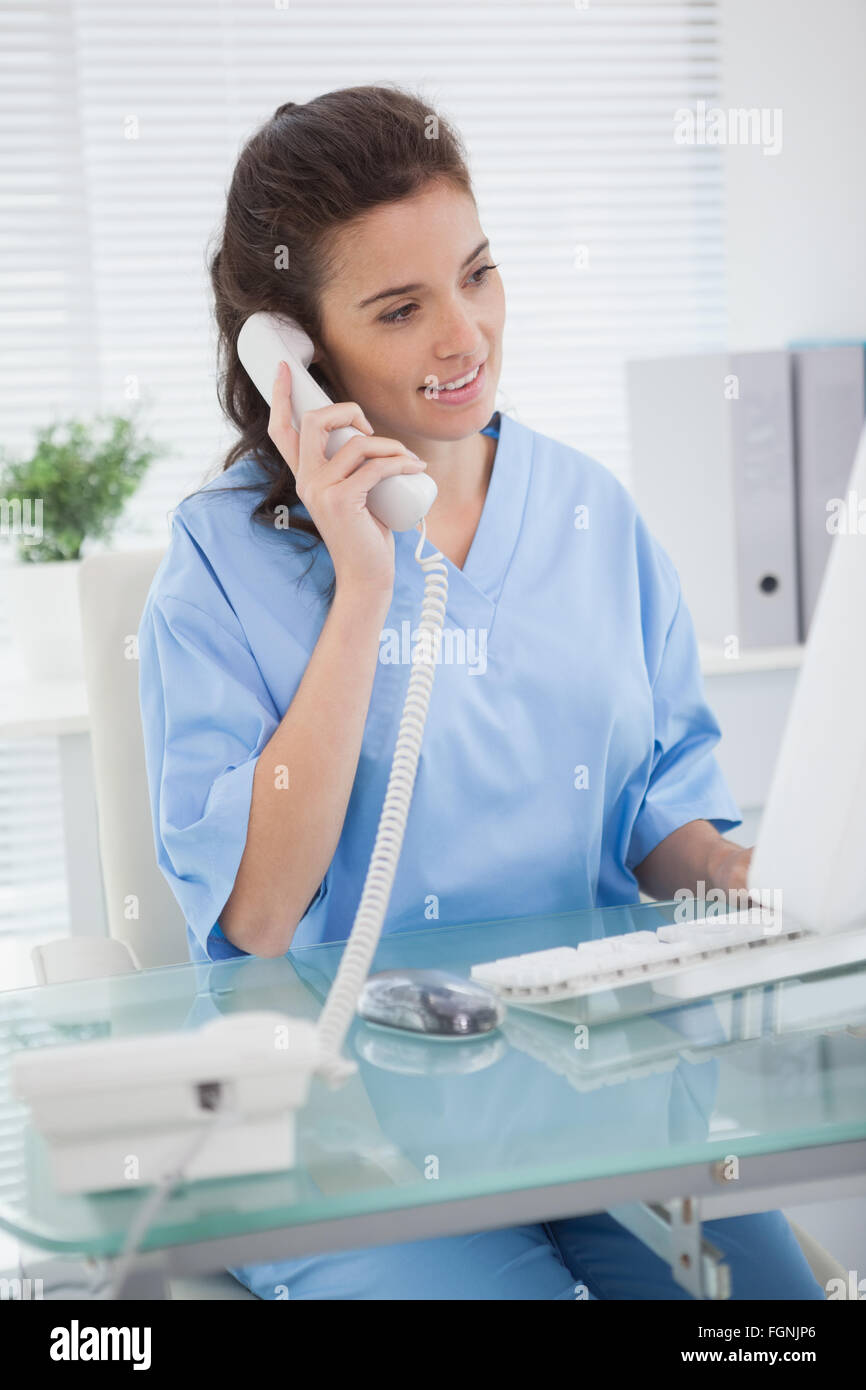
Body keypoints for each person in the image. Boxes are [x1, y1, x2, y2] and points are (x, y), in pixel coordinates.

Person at [137, 85, 824, 1300]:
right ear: (291, 347)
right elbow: (251, 914)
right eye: (400, 308)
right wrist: (363, 584)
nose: (465, 336)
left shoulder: (588, 512)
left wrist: (755, 883)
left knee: (764, 1313)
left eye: (478, 274)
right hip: (335, 1131)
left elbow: (655, 814)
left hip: (601, 1094)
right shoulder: (217, 567)